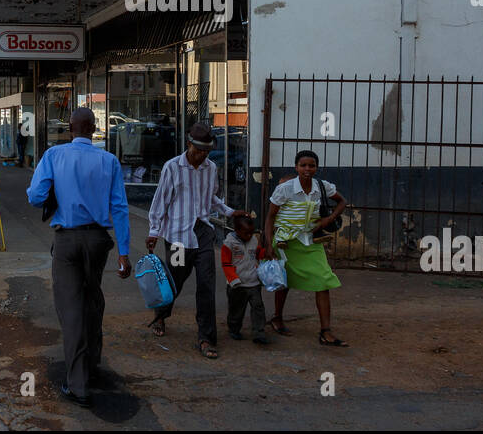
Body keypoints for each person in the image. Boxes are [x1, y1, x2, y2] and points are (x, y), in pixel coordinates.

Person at [26, 107, 132, 408]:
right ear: (94, 128)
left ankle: (79, 384)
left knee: (71, 310)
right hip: (99, 240)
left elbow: (35, 197)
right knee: (92, 299)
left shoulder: (53, 156)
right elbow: (120, 207)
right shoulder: (109, 160)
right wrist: (124, 253)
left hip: (67, 241)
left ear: (70, 127)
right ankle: (93, 364)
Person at [146, 122, 254, 359]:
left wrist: (228, 211)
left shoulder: (211, 168)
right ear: (189, 144)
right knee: (174, 282)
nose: (202, 155)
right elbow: (160, 201)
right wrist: (154, 231)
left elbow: (212, 198)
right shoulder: (172, 167)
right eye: (198, 150)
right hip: (177, 236)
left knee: (206, 286)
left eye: (206, 151)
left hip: (203, 234)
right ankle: (161, 315)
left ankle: (206, 338)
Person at [262, 150, 348, 346]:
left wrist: (329, 219)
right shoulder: (285, 189)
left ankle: (326, 331)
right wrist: (269, 244)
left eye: (311, 166)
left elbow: (342, 201)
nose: (307, 169)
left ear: (316, 168)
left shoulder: (322, 187)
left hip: (310, 241)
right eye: (303, 165)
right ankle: (277, 317)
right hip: (285, 241)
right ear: (296, 167)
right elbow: (270, 217)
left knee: (323, 280)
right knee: (284, 281)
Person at [221, 214, 269, 344]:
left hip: (253, 282)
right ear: (237, 231)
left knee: (258, 307)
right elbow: (226, 264)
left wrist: (266, 253)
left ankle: (259, 332)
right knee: (236, 309)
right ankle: (234, 329)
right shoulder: (229, 244)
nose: (249, 236)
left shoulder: (253, 240)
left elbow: (257, 252)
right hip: (237, 285)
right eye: (246, 233)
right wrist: (234, 279)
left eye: (251, 233)